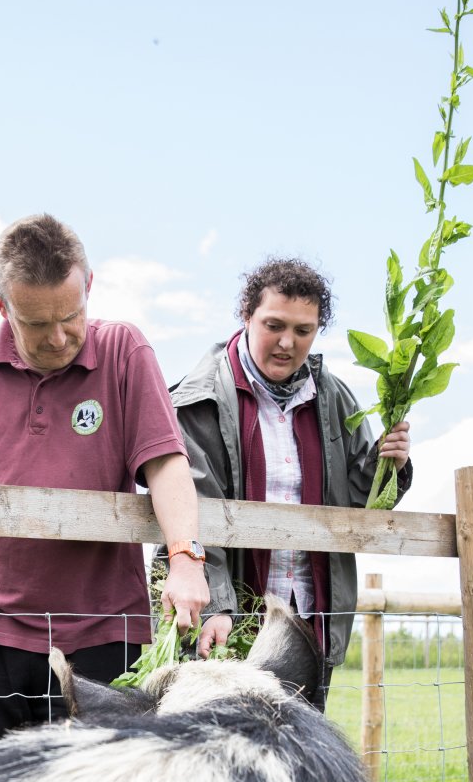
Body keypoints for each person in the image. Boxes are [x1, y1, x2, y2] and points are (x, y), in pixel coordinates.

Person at [0, 214, 209, 751]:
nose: (60, 337)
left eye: (71, 316)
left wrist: (184, 558)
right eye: (38, 325)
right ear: (0, 306)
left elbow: (165, 463)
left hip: (102, 638)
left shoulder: (124, 351)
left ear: (89, 286)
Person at [168, 258, 412, 703]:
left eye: (303, 330)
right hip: (232, 623)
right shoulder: (199, 399)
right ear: (247, 317)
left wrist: (387, 467)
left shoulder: (334, 397)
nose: (287, 342)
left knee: (299, 758)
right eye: (274, 325)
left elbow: (357, 511)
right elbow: (192, 510)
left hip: (309, 621)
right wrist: (217, 608)